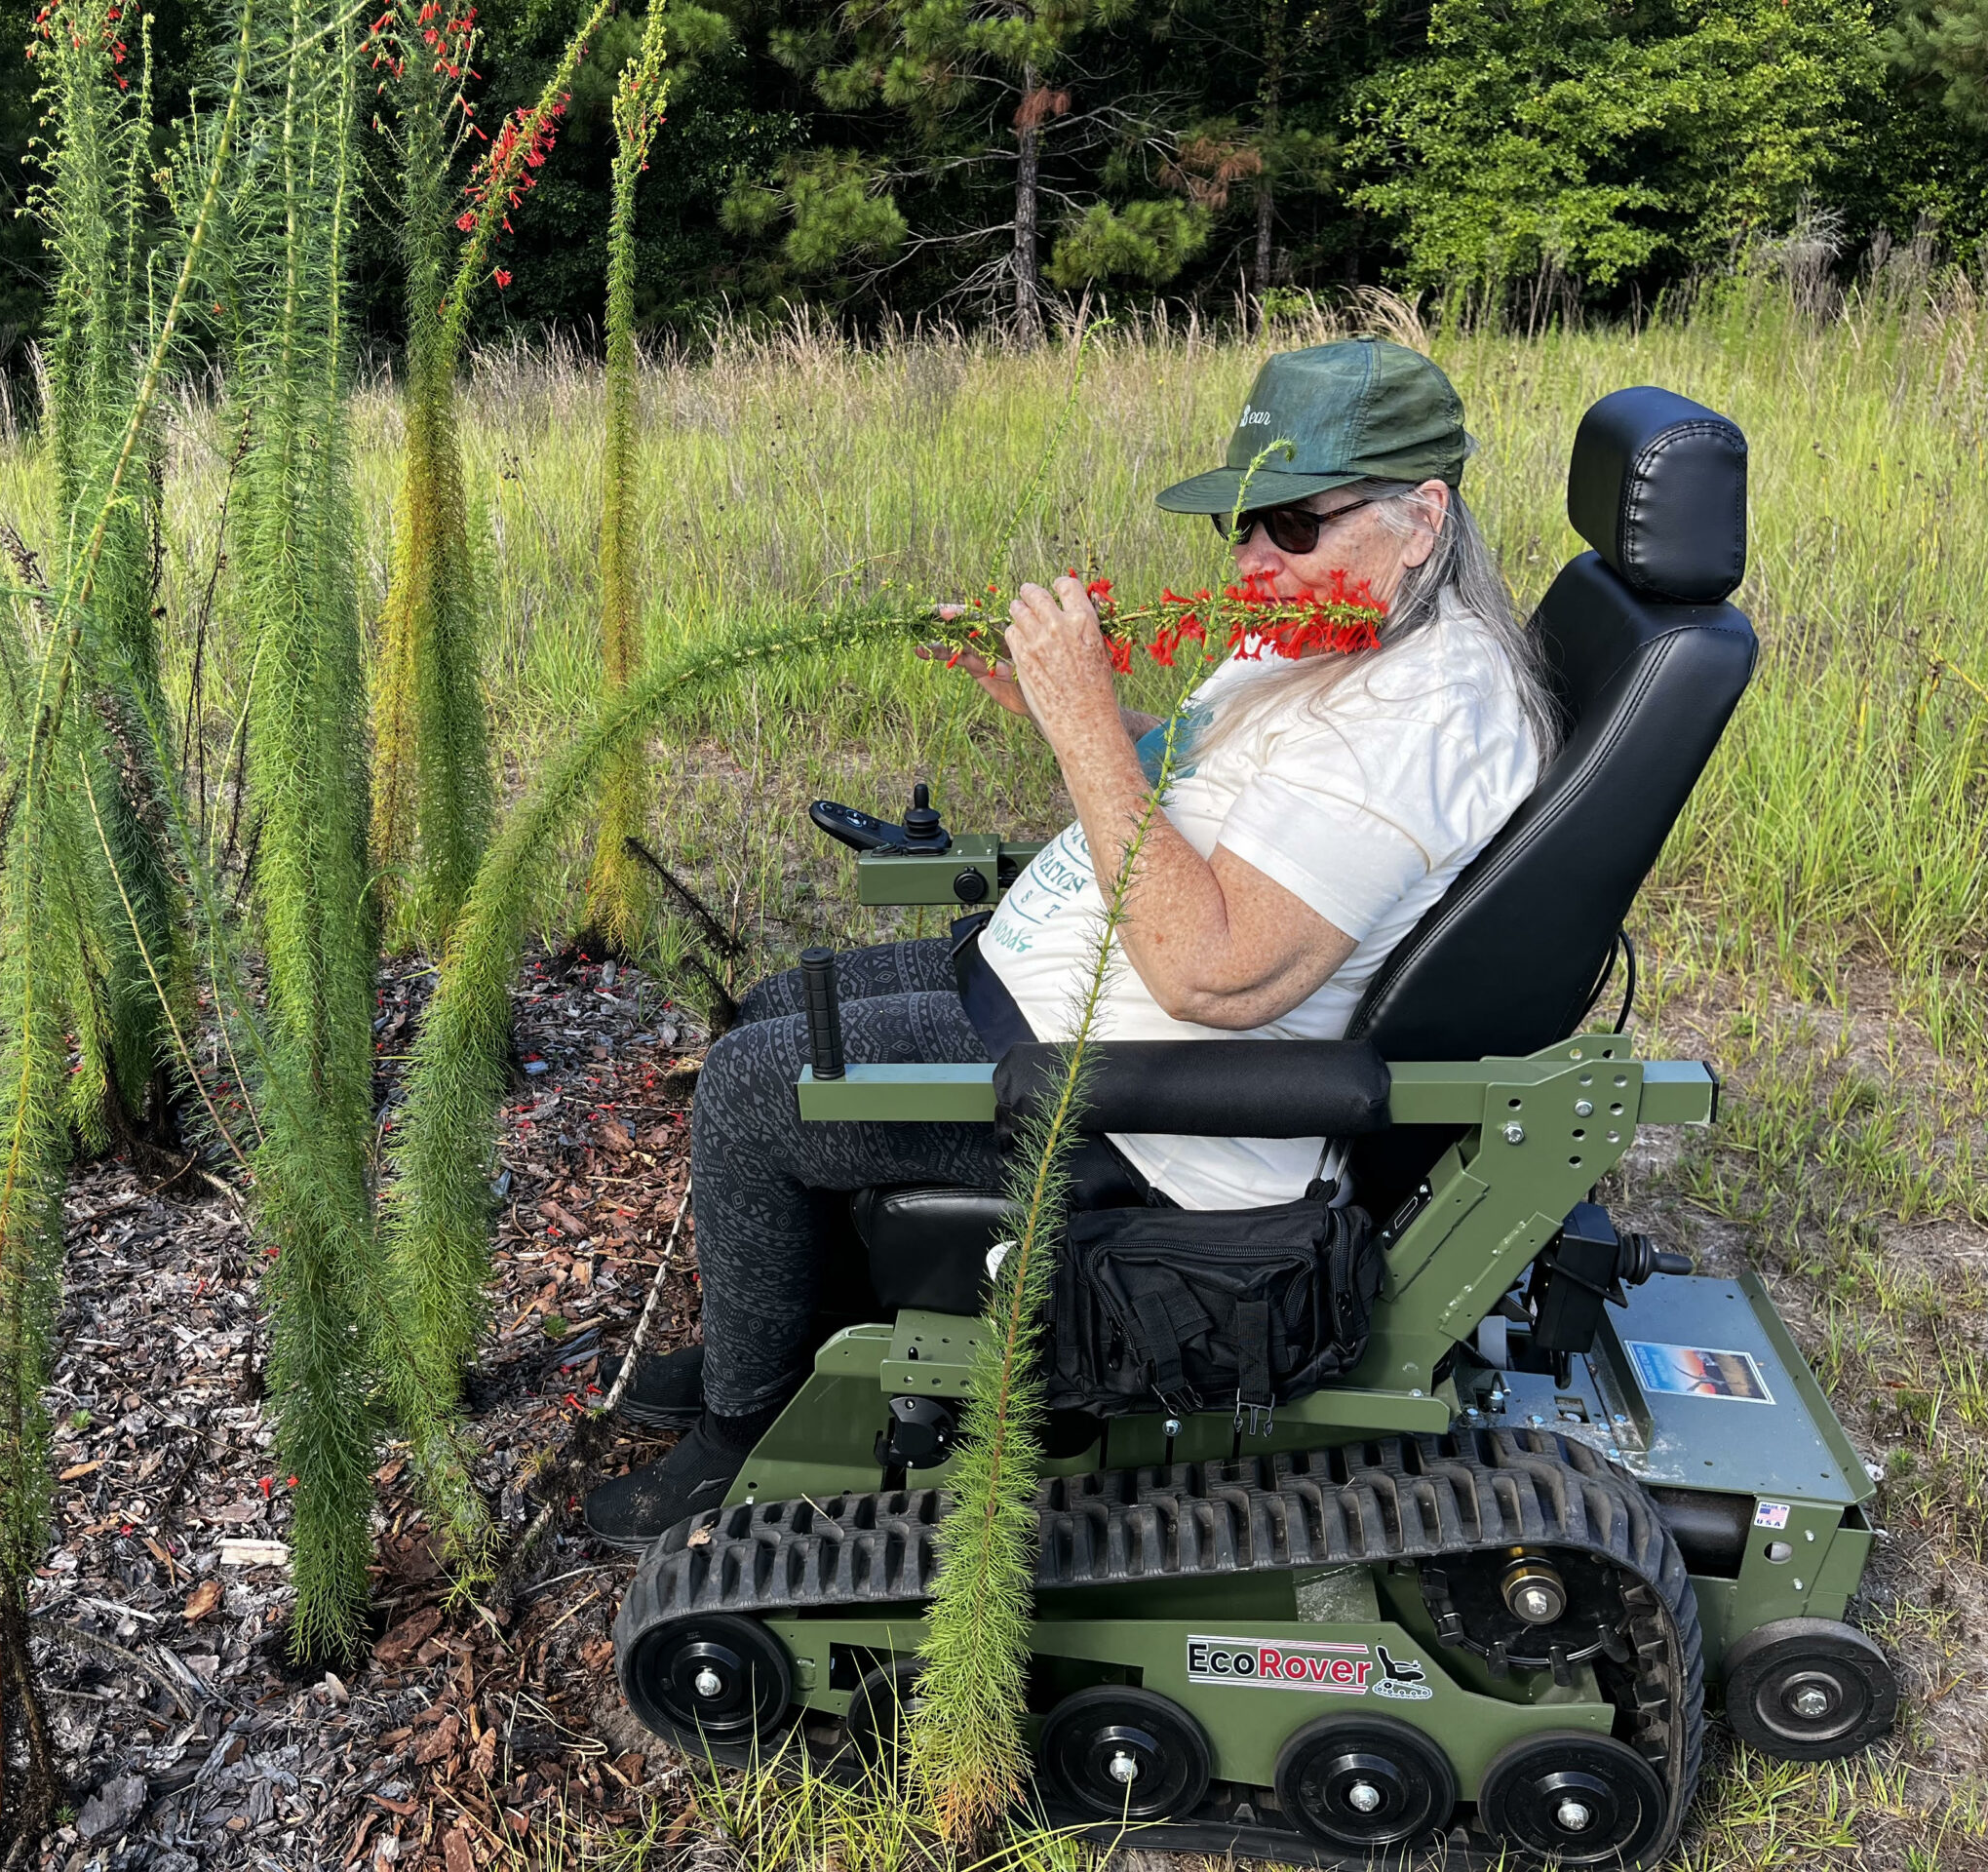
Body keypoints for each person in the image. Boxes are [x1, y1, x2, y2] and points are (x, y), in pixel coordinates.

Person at [582, 338, 1560, 1546]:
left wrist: (1085, 715)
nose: (1255, 562)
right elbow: (1202, 784)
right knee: (785, 1002)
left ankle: (743, 1437)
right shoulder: (1338, 629)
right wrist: (1046, 701)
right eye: (1239, 527)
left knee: (749, 1092)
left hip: (1146, 1102)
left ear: (1422, 517)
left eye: (1291, 527)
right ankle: (782, 1339)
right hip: (1049, 986)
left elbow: (1212, 972)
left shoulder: (1412, 722)